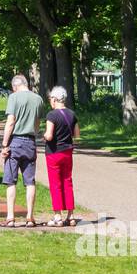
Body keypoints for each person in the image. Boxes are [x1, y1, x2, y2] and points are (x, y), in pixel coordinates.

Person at [0, 74, 44, 227]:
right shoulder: (38, 99)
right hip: (30, 142)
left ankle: (11, 217)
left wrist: (5, 144)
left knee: (11, 181)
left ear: (15, 86)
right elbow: (37, 123)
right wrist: (33, 135)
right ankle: (30, 217)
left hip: (15, 142)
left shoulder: (14, 98)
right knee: (30, 181)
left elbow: (10, 122)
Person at [43, 85, 81, 227]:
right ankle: (71, 216)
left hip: (54, 153)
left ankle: (58, 216)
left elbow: (49, 135)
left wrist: (44, 136)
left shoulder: (51, 115)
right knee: (67, 182)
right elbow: (77, 135)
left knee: (55, 184)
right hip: (68, 152)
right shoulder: (72, 114)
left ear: (54, 99)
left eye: (50, 98)